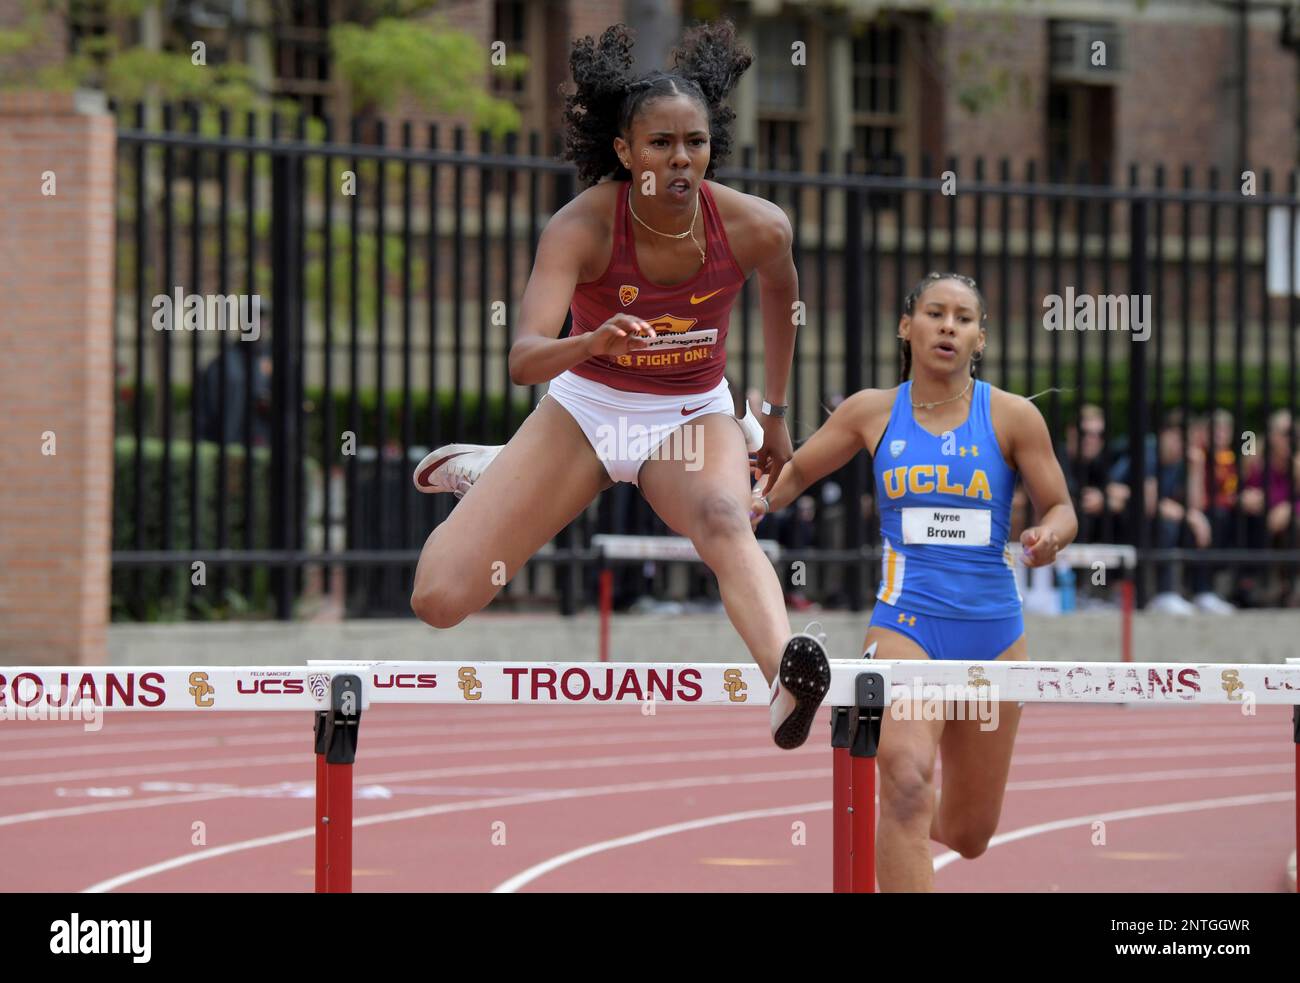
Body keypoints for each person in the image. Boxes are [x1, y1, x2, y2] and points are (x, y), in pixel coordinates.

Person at [408, 22, 831, 749]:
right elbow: (524, 357)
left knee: (727, 518)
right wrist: (591, 341)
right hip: (586, 409)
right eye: (660, 144)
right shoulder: (582, 228)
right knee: (440, 599)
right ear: (624, 152)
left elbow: (781, 301)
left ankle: (785, 684)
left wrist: (776, 410)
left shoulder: (758, 227)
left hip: (689, 417)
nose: (679, 159)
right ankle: (491, 469)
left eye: (694, 142)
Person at [749, 272, 1078, 891]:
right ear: (908, 327)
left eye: (963, 318)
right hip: (907, 628)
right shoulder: (871, 412)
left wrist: (1048, 537)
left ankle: (902, 838)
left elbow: (1062, 507)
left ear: (979, 338)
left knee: (971, 833)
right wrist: (758, 502)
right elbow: (793, 474)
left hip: (995, 639)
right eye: (934, 313)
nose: (948, 326)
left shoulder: (1013, 417)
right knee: (903, 783)